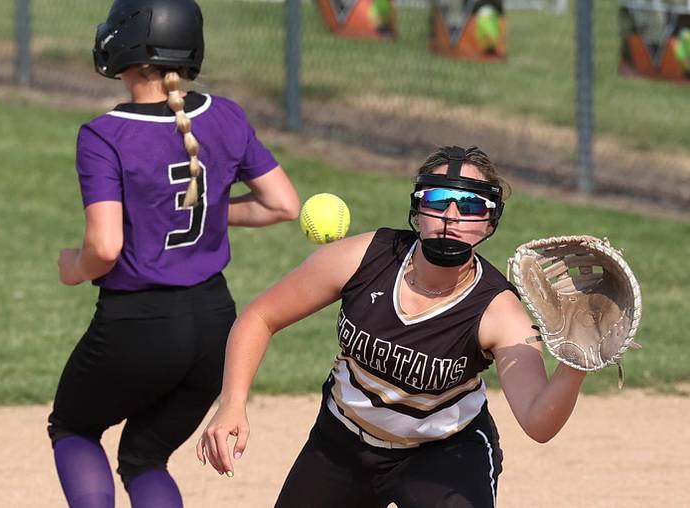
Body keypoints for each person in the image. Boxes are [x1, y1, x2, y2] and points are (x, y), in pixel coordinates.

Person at [197, 146, 588, 507]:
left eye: (470, 205)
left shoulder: (499, 311)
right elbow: (260, 317)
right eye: (437, 200)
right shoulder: (363, 258)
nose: (451, 216)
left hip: (445, 453)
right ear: (417, 211)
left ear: (489, 223)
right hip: (341, 442)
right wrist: (231, 404)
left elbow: (539, 423)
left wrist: (577, 361)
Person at [47, 0, 300, 506]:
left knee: (74, 427)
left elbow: (104, 246)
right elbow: (283, 205)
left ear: (130, 51)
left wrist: (73, 267)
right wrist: (201, 209)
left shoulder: (105, 135)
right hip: (214, 326)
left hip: (137, 324)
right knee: (145, 458)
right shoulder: (226, 115)